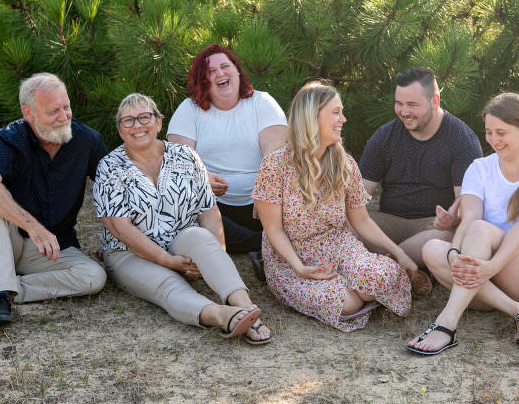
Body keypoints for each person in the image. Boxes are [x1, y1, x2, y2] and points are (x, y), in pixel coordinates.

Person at [93, 93, 272, 344]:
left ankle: (245, 306)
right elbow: (122, 230)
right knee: (169, 286)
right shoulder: (109, 167)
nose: (137, 126)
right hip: (129, 252)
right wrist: (168, 261)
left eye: (144, 117)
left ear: (158, 122)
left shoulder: (185, 156)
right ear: (120, 129)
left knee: (200, 236)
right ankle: (223, 316)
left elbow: (208, 211)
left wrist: (214, 257)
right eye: (128, 121)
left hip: (181, 236)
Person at [253, 81, 429, 332]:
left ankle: (363, 284)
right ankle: (356, 292)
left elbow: (362, 221)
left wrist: (400, 254)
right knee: (347, 303)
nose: (343, 119)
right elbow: (274, 231)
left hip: (339, 246)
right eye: (336, 112)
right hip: (292, 257)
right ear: (312, 117)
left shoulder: (344, 163)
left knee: (382, 277)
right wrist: (299, 268)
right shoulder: (275, 165)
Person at [406, 92, 519, 355]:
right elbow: (469, 218)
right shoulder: (479, 168)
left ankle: (446, 325)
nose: (493, 140)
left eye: (501, 132)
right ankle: (516, 311)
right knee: (434, 249)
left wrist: (490, 266)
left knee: (480, 231)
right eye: (489, 132)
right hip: (484, 273)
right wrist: (454, 253)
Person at [0, 73, 108, 327]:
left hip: (54, 248)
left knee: (93, 277)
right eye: (53, 111)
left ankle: (0, 285)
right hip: (6, 239)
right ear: (29, 112)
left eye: (66, 107)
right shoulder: (10, 137)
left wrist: (117, 241)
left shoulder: (87, 141)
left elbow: (116, 190)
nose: (64, 116)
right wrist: (33, 227)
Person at [167, 44, 287, 280]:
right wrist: (202, 178)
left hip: (261, 205)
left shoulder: (262, 103)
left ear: (237, 71)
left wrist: (265, 188)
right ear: (203, 81)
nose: (220, 74)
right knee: (189, 214)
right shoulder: (189, 110)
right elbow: (178, 163)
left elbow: (276, 156)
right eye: (211, 72)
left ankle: (266, 241)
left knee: (289, 199)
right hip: (214, 208)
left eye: (225, 66)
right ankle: (269, 243)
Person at [359, 67, 482, 268]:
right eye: (399, 104)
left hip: (434, 226)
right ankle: (400, 268)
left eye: (412, 105)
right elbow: (359, 194)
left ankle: (387, 268)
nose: (404, 112)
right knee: (347, 225)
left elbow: (467, 207)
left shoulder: (462, 139)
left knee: (448, 237)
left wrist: (452, 218)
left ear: (435, 101)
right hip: (390, 222)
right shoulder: (384, 136)